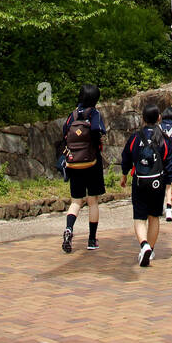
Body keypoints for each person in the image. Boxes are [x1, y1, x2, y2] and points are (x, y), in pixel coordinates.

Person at [121, 104, 172, 266]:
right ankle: (151, 250)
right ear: (159, 118)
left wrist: (124, 174)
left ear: (143, 118)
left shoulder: (135, 137)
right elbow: (170, 161)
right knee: (154, 217)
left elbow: (126, 156)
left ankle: (143, 245)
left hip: (139, 181)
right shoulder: (164, 138)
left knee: (140, 218)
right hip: (157, 183)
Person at [61, 83, 106, 254]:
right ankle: (92, 240)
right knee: (92, 200)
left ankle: (69, 229)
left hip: (74, 162)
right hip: (92, 162)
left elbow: (65, 135)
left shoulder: (71, 115)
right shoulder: (94, 113)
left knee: (75, 201)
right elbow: (97, 130)